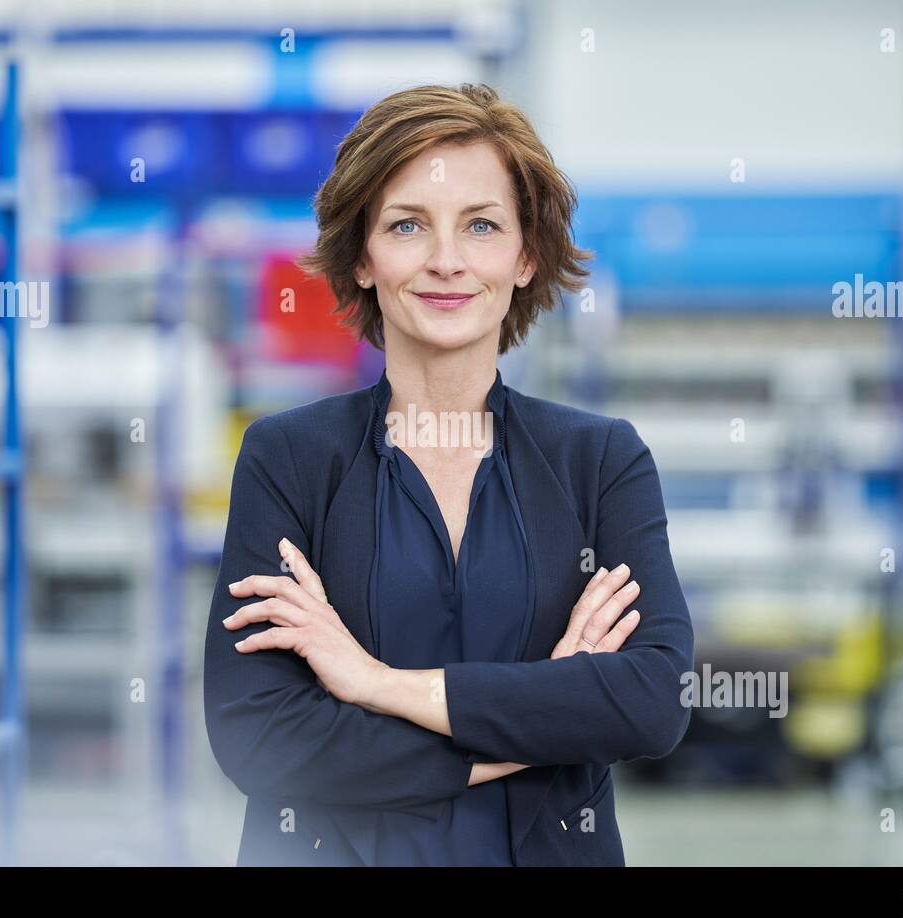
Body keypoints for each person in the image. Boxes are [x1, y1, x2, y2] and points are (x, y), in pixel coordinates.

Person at [203, 82, 694, 866]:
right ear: (363, 256)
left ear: (525, 254)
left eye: (481, 226)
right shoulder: (289, 460)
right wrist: (542, 713)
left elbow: (653, 700)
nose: (445, 260)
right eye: (407, 225)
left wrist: (371, 683)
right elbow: (257, 736)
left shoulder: (600, 461)